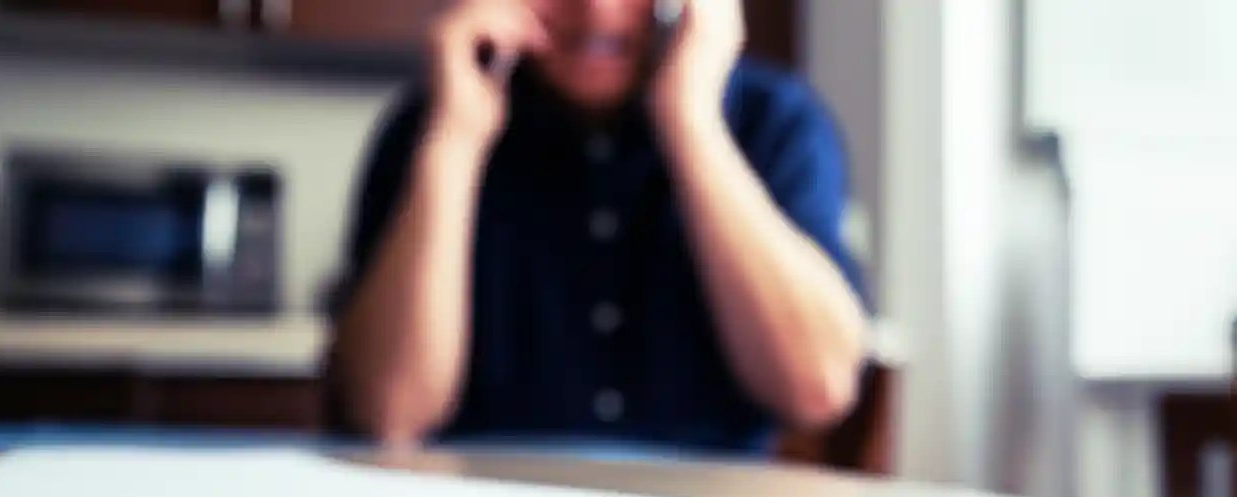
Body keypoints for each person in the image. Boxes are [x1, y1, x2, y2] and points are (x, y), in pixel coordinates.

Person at [331, 0, 868, 453]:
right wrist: (453, 144)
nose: (595, 11)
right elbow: (389, 415)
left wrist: (690, 120)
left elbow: (817, 388)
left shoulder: (773, 118)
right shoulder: (434, 122)